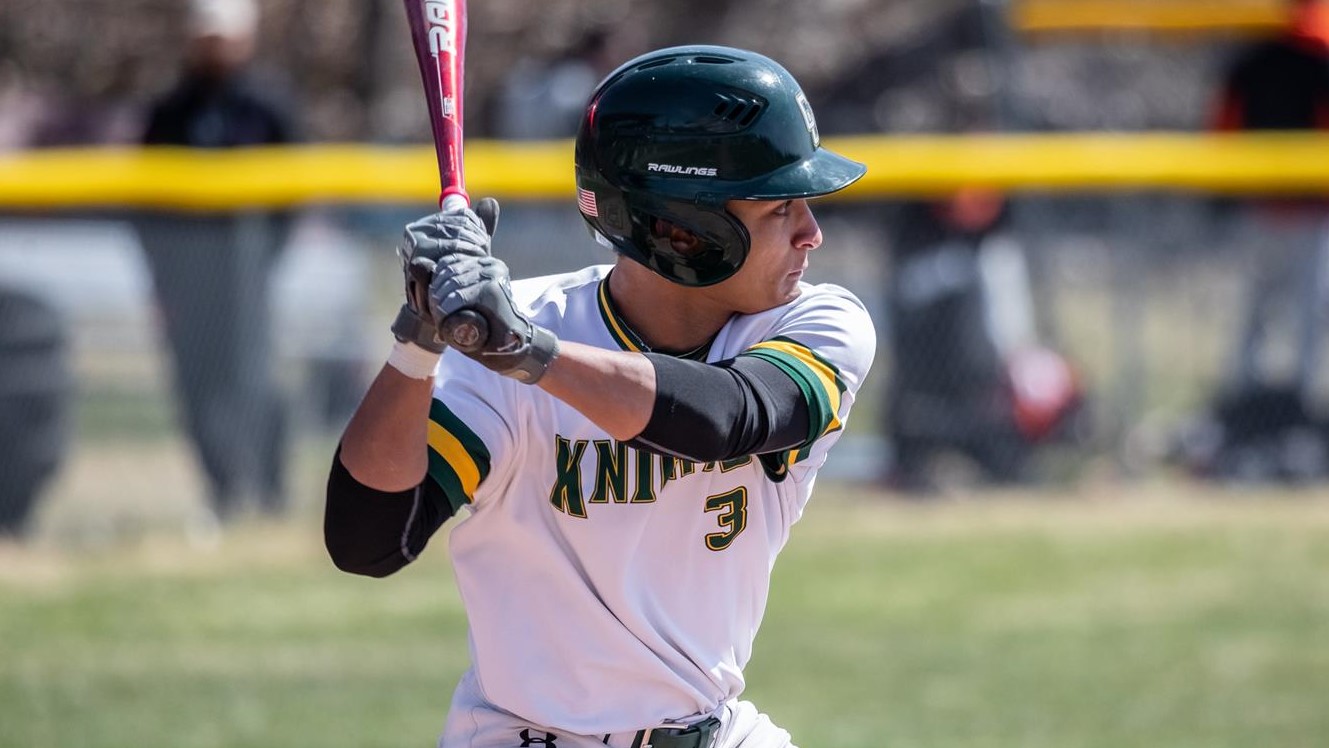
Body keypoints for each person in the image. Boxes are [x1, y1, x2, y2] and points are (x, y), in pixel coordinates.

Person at [325, 46, 875, 748]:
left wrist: (527, 354)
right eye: (779, 208)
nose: (811, 232)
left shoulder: (815, 321)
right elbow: (371, 540)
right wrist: (417, 342)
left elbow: (727, 416)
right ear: (684, 229)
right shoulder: (521, 331)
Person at [135, 0, 299, 521]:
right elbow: (144, 201)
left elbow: (297, 193)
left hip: (249, 278)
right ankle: (223, 492)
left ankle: (268, 492)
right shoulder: (170, 111)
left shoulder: (268, 106)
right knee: (198, 387)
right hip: (188, 281)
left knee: (256, 384)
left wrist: (266, 262)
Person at [1177, 0, 1329, 481]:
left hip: (1302, 213)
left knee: (1302, 314)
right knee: (1265, 316)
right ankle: (1250, 408)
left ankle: (1298, 409)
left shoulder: (1311, 59)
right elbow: (1225, 126)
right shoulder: (1252, 63)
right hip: (1270, 213)